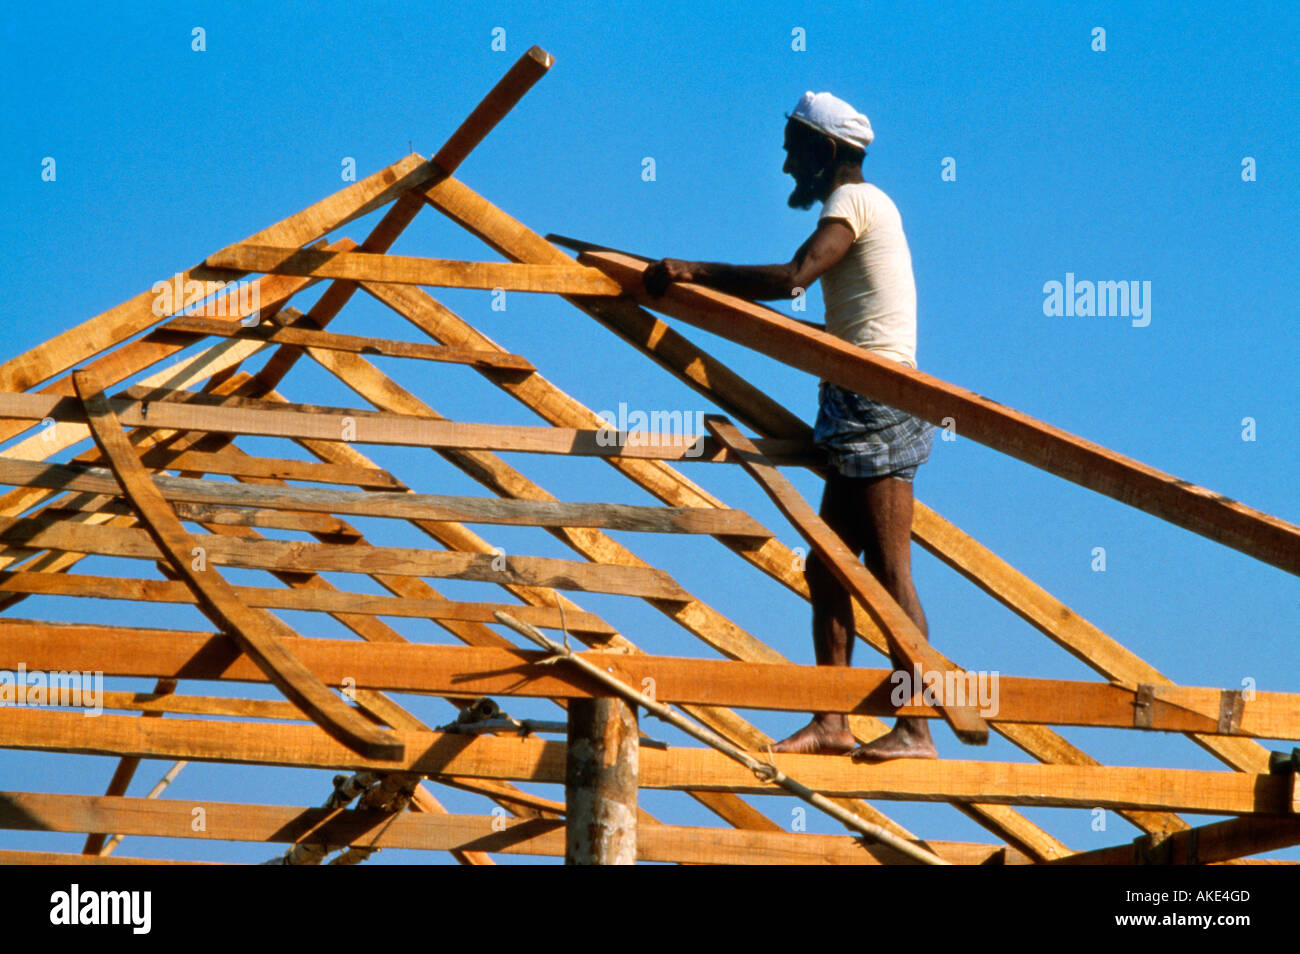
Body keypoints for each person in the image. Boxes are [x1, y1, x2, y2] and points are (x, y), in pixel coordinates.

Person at [643, 91, 938, 761]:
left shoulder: (854, 204)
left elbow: (792, 278)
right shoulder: (866, 206)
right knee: (829, 567)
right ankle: (834, 721)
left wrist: (696, 271)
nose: (785, 166)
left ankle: (916, 727)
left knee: (890, 571)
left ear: (826, 152)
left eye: (793, 151)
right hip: (853, 397)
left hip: (879, 400)